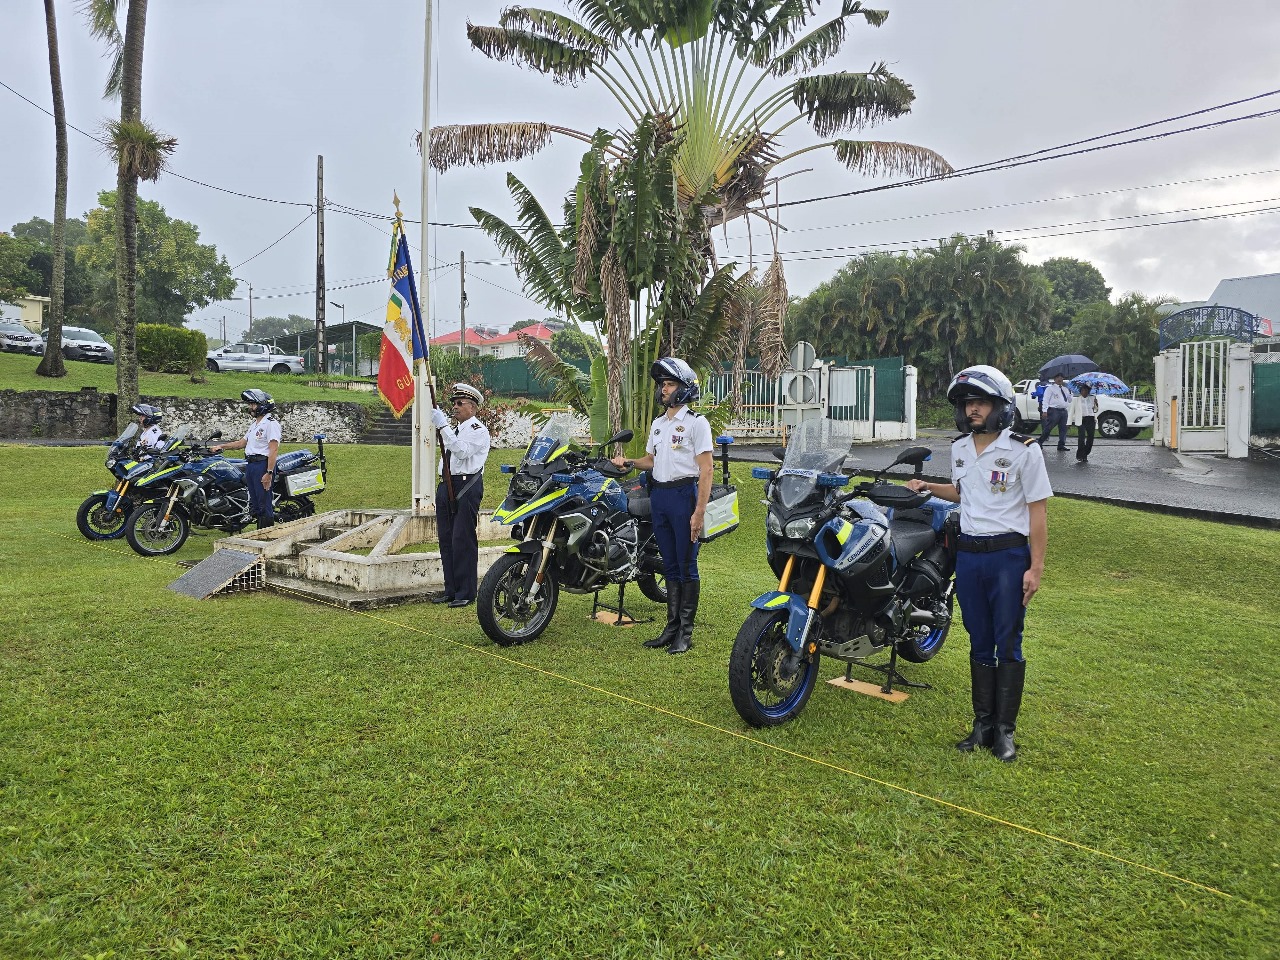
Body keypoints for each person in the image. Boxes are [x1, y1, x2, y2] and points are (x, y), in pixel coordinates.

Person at [905, 365, 1052, 762]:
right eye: (967, 403)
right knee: (978, 639)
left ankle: (1005, 731)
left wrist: (1035, 568)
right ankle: (982, 725)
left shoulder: (1024, 450)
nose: (973, 410)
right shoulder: (959, 449)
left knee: (1008, 641)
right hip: (968, 556)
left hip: (1008, 556)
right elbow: (963, 493)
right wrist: (927, 487)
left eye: (980, 402)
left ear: (1000, 406)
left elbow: (1037, 512)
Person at [610, 358, 713, 655]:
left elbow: (706, 470)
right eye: (662, 385)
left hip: (685, 496)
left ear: (683, 389)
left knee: (686, 564)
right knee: (668, 564)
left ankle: (685, 632)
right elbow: (651, 462)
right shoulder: (659, 424)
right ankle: (670, 627)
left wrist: (699, 512)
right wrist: (629, 462)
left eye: (669, 385)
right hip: (661, 497)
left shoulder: (696, 423)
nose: (663, 390)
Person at [430, 383, 492, 608]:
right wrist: (445, 428)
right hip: (446, 485)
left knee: (462, 538)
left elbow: (462, 451)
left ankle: (466, 592)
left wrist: (443, 426)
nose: (454, 407)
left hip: (466, 485)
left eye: (460, 403)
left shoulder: (478, 430)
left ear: (473, 408)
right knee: (446, 538)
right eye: (453, 403)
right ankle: (451, 589)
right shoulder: (455, 429)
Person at [210, 389, 280, 529]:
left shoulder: (271, 424)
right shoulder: (255, 425)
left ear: (263, 405)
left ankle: (267, 536)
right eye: (250, 404)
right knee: (255, 503)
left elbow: (273, 450)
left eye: (253, 404)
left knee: (264, 502)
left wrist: (269, 473)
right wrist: (221, 446)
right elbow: (242, 443)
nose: (250, 408)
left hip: (262, 465)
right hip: (251, 465)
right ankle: (260, 534)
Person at [1037, 373, 1072, 450]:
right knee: (1049, 427)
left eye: (1061, 377)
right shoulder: (1050, 389)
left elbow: (1070, 400)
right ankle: (1040, 441)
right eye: (1058, 377)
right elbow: (1045, 400)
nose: (1059, 379)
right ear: (1054, 379)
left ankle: (1061, 445)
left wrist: (1070, 392)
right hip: (1054, 411)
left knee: (1063, 429)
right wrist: (1044, 411)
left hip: (1064, 411)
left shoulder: (1065, 389)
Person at [1071, 383, 1098, 463]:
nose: (1084, 392)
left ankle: (1085, 453)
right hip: (1081, 419)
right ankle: (1080, 455)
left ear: (1089, 391)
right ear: (1080, 391)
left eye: (1086, 390)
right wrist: (1068, 422)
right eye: (1082, 390)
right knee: (1081, 437)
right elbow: (1071, 411)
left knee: (1090, 437)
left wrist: (1096, 404)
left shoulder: (1093, 398)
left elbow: (1096, 410)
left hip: (1091, 419)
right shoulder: (1076, 399)